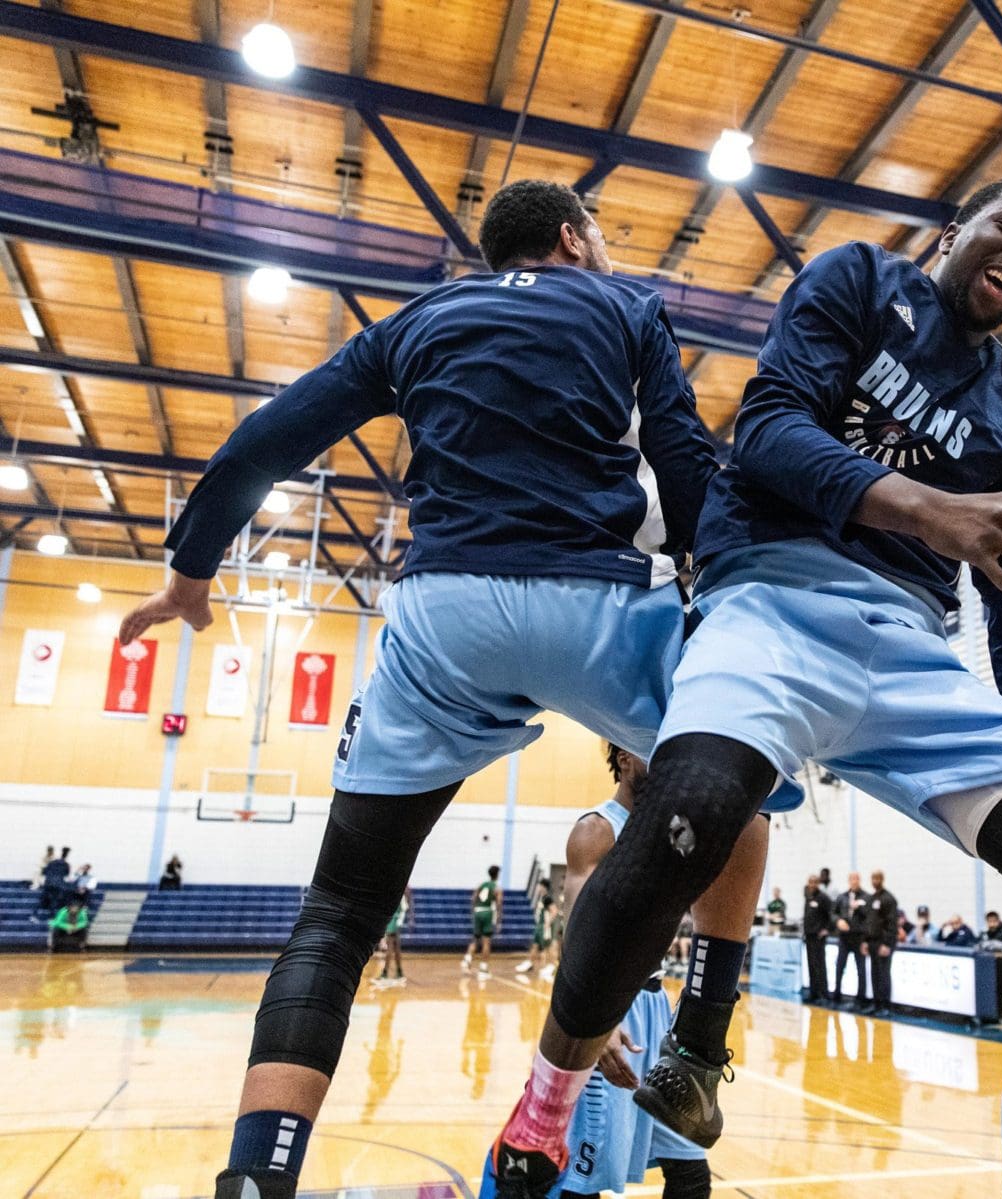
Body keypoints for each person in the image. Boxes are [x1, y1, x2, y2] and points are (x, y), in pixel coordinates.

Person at [494, 175, 1002, 1199]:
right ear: (956, 226)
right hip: (770, 598)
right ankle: (547, 1107)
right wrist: (928, 509)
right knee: (690, 811)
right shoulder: (858, 278)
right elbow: (769, 430)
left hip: (907, 644)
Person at [115, 179, 775, 1199]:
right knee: (743, 787)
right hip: (596, 604)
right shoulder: (627, 306)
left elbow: (268, 438)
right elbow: (682, 459)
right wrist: (722, 590)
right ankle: (697, 1038)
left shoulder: (415, 321)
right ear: (573, 238)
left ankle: (257, 1175)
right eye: (598, 233)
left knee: (339, 911)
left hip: (444, 614)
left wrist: (190, 572)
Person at [481, 744, 711, 1198]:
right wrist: (595, 1023)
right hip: (610, 1007)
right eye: (652, 752)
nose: (667, 764)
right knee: (584, 1177)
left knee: (690, 1169)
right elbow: (576, 938)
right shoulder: (597, 830)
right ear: (624, 759)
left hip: (659, 1011)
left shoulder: (674, 830)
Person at [863, 869, 899, 1015]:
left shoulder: (889, 899)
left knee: (884, 974)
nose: (875, 881)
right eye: (873, 878)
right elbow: (868, 922)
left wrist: (887, 944)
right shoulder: (871, 899)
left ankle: (885, 1006)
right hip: (872, 941)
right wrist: (865, 941)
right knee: (875, 974)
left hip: (883, 943)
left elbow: (892, 924)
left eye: (877, 878)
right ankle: (876, 1003)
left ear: (882, 880)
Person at [831, 873, 870, 1007]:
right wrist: (838, 921)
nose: (854, 882)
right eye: (852, 879)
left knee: (861, 969)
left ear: (860, 880)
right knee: (840, 966)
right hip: (844, 938)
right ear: (849, 881)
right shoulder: (842, 897)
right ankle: (836, 994)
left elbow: (870, 917)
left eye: (857, 879)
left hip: (859, 938)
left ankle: (861, 998)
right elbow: (833, 913)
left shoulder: (866, 897)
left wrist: (860, 908)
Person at [801, 874, 834, 1003]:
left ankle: (823, 994)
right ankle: (813, 993)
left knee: (820, 965)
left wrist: (827, 929)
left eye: (815, 882)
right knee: (811, 965)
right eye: (810, 882)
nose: (812, 884)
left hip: (818, 938)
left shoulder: (823, 898)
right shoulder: (808, 897)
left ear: (818, 883)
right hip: (809, 936)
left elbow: (832, 914)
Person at [375, 886, 413, 987]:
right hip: (395, 919)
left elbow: (407, 904)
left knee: (390, 947)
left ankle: (385, 972)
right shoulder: (399, 888)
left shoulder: (403, 889)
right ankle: (399, 971)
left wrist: (409, 918)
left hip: (395, 919)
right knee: (396, 948)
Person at [466, 866, 501, 978]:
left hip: (478, 911)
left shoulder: (481, 885)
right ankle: (483, 969)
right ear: (497, 875)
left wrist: (473, 912)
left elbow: (473, 898)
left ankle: (467, 960)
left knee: (476, 939)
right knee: (486, 942)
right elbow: (499, 904)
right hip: (487, 912)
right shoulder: (497, 888)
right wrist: (498, 920)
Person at [517, 883, 556, 977]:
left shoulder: (548, 898)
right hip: (539, 926)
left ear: (544, 887)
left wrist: (548, 923)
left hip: (544, 926)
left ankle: (551, 966)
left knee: (547, 946)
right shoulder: (542, 898)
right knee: (535, 945)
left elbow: (554, 911)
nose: (538, 887)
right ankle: (530, 963)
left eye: (539, 886)